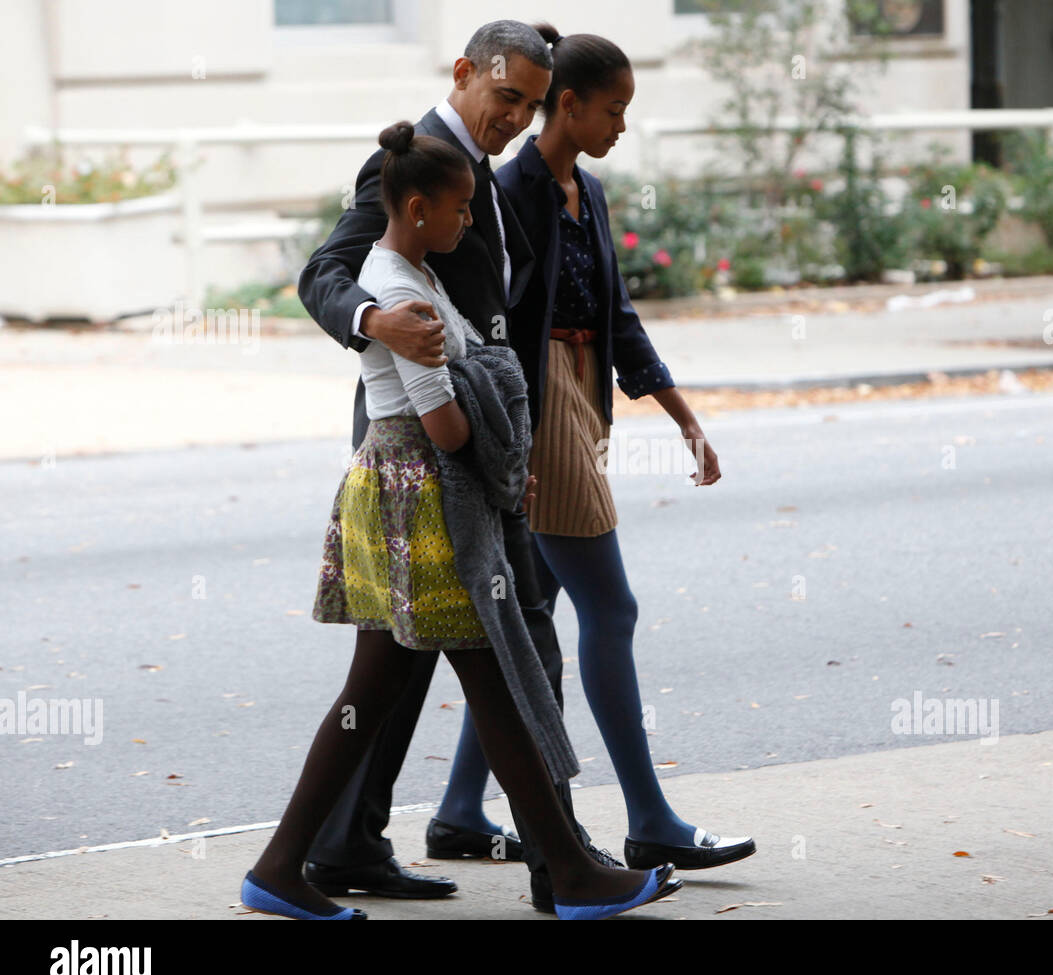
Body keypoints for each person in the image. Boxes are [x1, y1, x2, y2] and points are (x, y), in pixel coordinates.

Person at [239, 119, 682, 921]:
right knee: (498, 685)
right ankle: (573, 875)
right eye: (460, 210)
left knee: (371, 696)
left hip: (408, 496)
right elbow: (444, 426)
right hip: (428, 502)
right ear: (414, 208)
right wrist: (506, 456)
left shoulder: (413, 271)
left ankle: (278, 869)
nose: (470, 222)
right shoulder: (402, 291)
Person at [296, 20, 617, 909]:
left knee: (407, 666)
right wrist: (373, 321)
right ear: (465, 72)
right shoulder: (412, 166)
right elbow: (324, 271)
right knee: (523, 647)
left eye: (530, 104)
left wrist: (529, 443)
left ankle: (336, 849)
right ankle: (565, 862)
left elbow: (500, 320)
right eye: (504, 96)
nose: (515, 117)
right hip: (435, 455)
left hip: (484, 452)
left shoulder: (479, 179)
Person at [436, 23, 755, 882]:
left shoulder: (590, 192)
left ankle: (460, 811)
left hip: (586, 397)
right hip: (540, 408)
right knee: (610, 611)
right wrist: (510, 441)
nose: (622, 125)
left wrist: (683, 416)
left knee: (526, 616)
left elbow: (617, 319)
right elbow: (485, 324)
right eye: (612, 109)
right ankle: (650, 818)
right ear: (566, 106)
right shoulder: (512, 192)